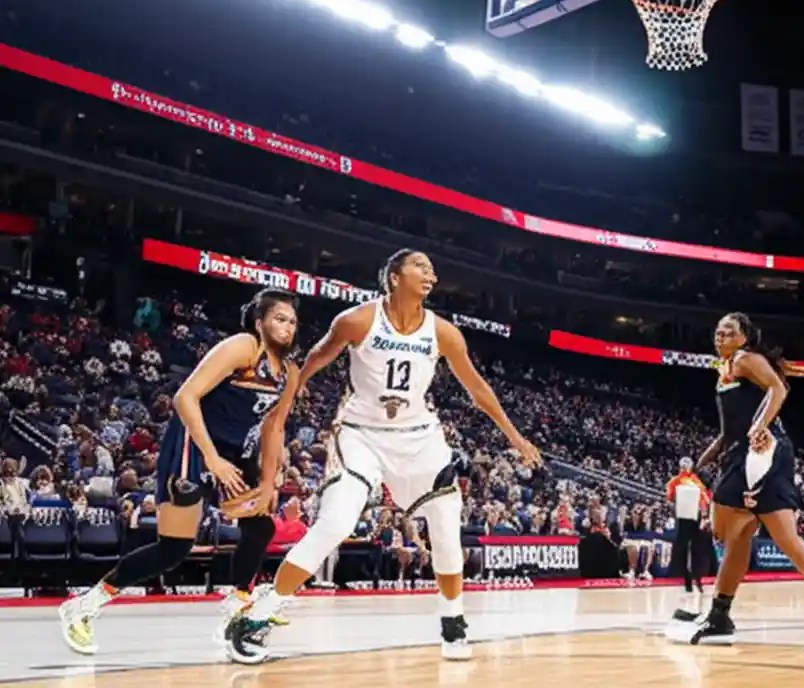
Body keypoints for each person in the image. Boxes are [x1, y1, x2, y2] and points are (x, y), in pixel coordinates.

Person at [226, 249, 542, 664]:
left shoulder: (443, 332)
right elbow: (312, 362)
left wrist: (517, 439)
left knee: (446, 528)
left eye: (432, 268)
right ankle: (261, 613)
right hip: (361, 434)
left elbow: (478, 389)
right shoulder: (356, 320)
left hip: (420, 437)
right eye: (420, 267)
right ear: (394, 276)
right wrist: (281, 408)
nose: (430, 274)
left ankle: (453, 620)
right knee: (335, 522)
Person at [58, 289, 300, 655]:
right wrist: (213, 459)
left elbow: (274, 428)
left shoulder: (289, 373)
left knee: (260, 525)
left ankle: (238, 605)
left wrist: (267, 481)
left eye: (293, 322)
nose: (287, 327)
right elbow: (184, 396)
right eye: (280, 319)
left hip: (239, 448)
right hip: (194, 440)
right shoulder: (243, 346)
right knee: (174, 548)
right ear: (259, 322)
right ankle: (83, 606)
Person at [676, 312, 804, 646]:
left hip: (764, 449)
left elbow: (779, 388)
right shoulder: (726, 371)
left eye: (728, 331)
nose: (720, 336)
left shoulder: (747, 359)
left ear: (744, 336)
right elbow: (726, 432)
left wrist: (760, 425)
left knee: (765, 531)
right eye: (717, 332)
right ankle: (720, 614)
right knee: (737, 535)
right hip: (741, 452)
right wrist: (701, 463)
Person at [667, 457, 710, 619]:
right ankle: (687, 581)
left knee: (697, 549)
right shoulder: (675, 481)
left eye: (688, 465)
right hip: (682, 517)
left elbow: (705, 498)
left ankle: (697, 579)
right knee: (683, 549)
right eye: (683, 465)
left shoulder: (696, 482)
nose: (685, 467)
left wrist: (705, 514)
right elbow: (670, 497)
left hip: (695, 518)